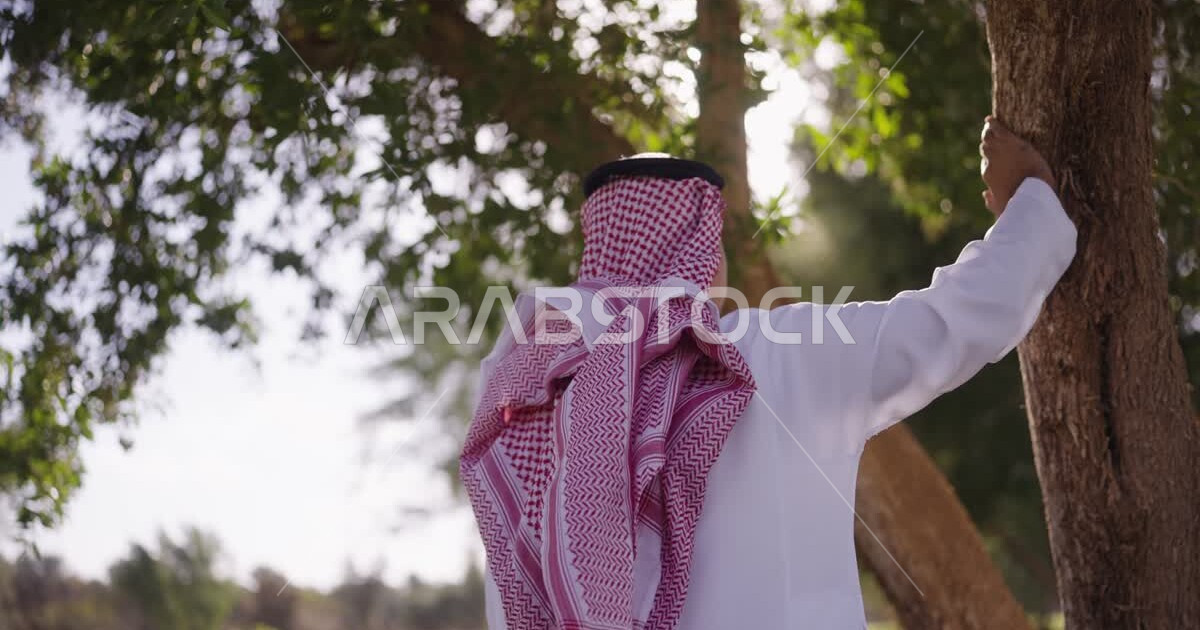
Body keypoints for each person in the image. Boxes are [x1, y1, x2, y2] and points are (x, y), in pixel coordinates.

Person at [460, 117, 1075, 629]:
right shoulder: (779, 352)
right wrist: (1032, 205)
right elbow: (959, 319)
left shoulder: (528, 391)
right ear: (704, 247)